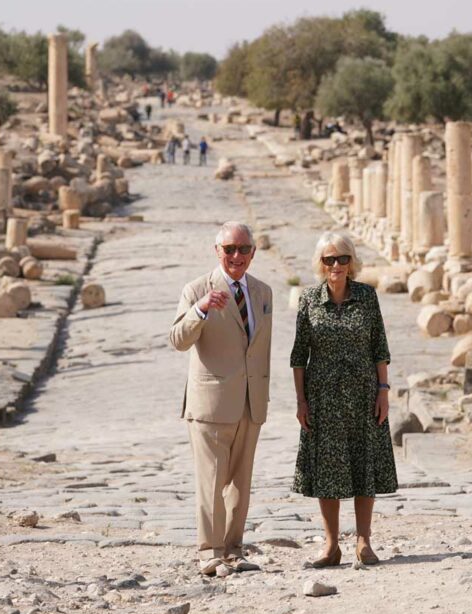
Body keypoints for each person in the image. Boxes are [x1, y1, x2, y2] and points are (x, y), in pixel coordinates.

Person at [169, 222, 273, 577]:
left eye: (243, 249)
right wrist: (199, 310)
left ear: (253, 253)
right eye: (229, 249)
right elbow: (178, 340)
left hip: (250, 399)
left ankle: (233, 550)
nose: (236, 256)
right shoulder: (197, 288)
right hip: (211, 402)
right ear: (217, 251)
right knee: (211, 482)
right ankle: (209, 552)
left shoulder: (262, 292)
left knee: (240, 484)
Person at [290, 231, 396, 568]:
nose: (336, 265)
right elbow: (298, 356)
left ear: (352, 262)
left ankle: (364, 542)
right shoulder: (308, 299)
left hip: (364, 394)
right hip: (322, 397)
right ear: (320, 264)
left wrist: (383, 391)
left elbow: (379, 347)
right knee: (327, 471)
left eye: (342, 259)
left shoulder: (367, 296)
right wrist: (301, 402)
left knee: (365, 465)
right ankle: (331, 544)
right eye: (329, 259)